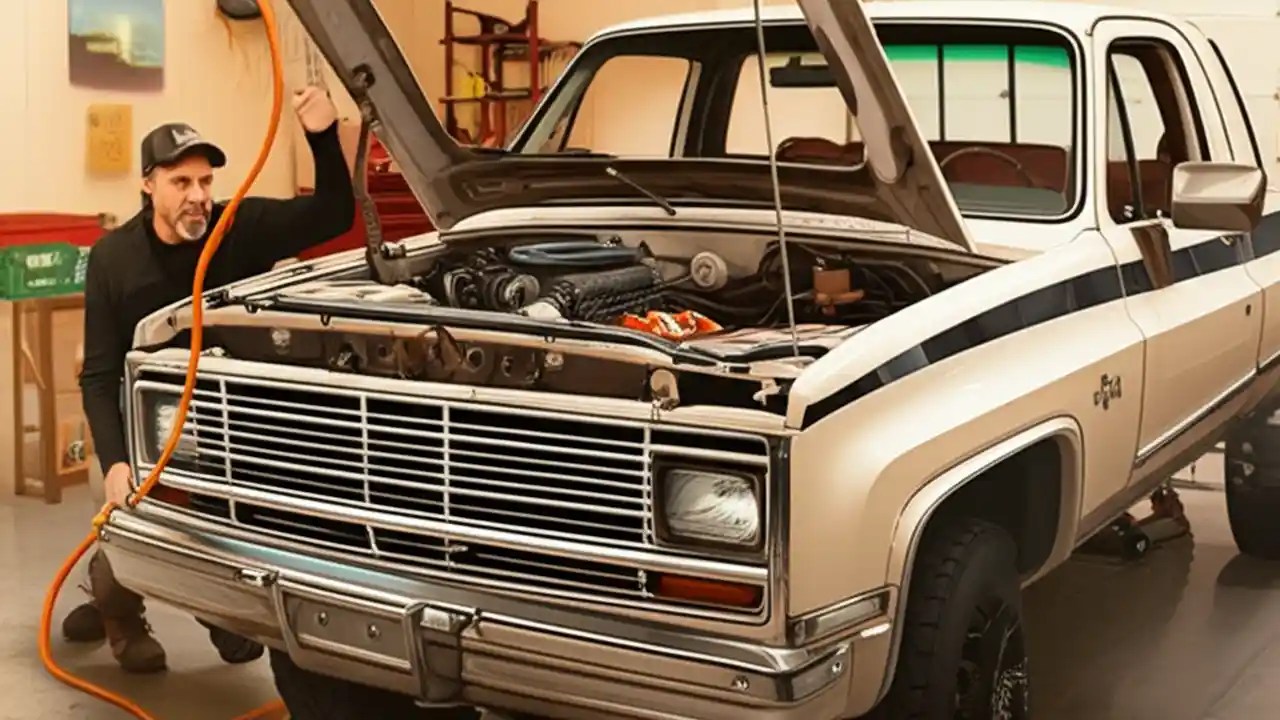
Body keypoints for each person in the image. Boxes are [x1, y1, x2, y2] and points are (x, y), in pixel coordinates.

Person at [63, 85, 356, 673]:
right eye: (181, 183)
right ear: (148, 185)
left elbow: (334, 213)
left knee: (237, 521)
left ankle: (221, 611)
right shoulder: (113, 259)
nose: (198, 197)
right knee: (130, 514)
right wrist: (116, 462)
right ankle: (118, 606)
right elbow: (97, 375)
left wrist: (323, 136)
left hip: (230, 428)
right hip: (148, 434)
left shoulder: (240, 227)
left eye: (204, 182)